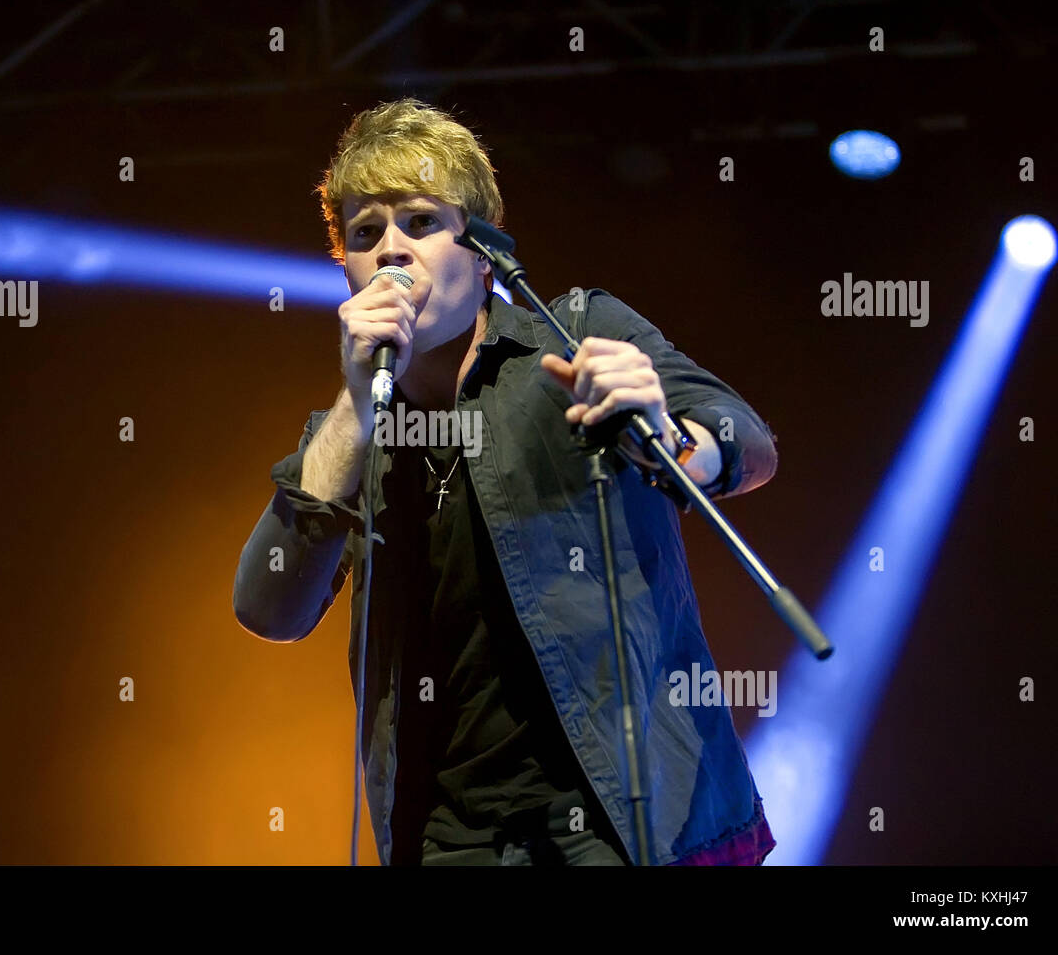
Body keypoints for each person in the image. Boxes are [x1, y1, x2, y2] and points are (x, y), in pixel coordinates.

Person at [233, 98, 779, 866]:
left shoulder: (582, 334)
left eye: (420, 222)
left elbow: (747, 443)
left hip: (628, 822)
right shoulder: (347, 433)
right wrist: (354, 410)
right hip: (449, 842)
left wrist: (671, 445)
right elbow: (268, 608)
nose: (392, 250)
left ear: (482, 254)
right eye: (366, 233)